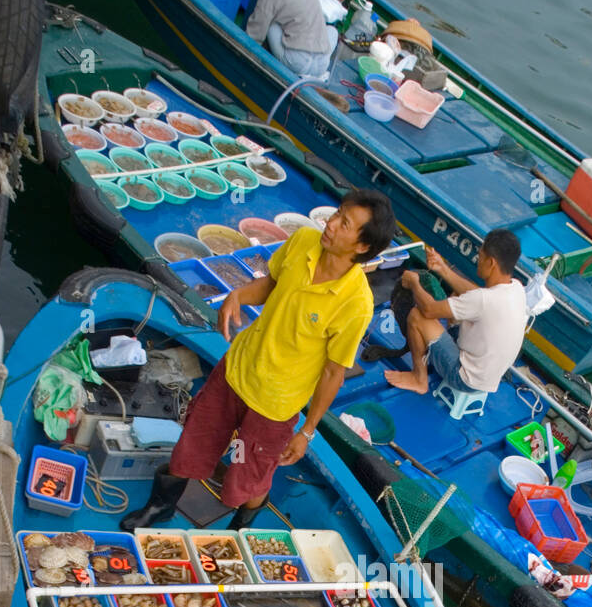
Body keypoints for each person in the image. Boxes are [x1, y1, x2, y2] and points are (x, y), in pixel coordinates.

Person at [121, 190, 395, 533]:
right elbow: (272, 284)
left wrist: (306, 432)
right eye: (337, 213)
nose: (331, 224)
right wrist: (237, 295)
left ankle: (240, 528)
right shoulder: (304, 241)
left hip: (275, 404)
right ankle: (159, 507)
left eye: (345, 224)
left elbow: (333, 371)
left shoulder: (356, 303)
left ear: (361, 246)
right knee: (193, 442)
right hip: (238, 370)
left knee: (248, 474)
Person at [384, 230, 528, 396]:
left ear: (491, 263)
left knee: (417, 316)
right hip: (488, 375)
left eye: (480, 256)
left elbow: (429, 310)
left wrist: (415, 284)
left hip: (464, 378)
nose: (478, 261)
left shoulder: (483, 299)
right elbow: (475, 296)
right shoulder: (516, 288)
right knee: (458, 295)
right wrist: (442, 268)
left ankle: (419, 379)